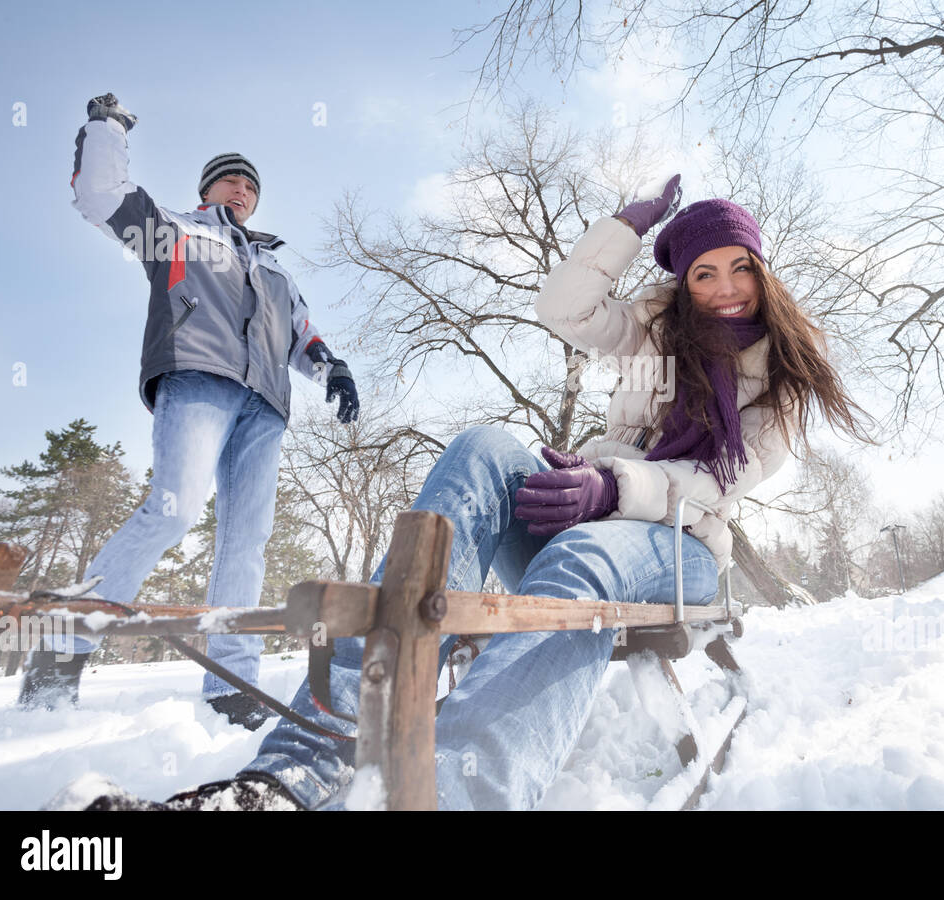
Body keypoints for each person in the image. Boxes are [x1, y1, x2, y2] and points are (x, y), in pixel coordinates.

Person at [88, 174, 869, 809]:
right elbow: (561, 308)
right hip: (591, 509)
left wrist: (610, 488)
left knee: (588, 556)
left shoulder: (790, 374)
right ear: (683, 280)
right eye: (703, 271)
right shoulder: (655, 328)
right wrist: (622, 230)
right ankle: (295, 769)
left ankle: (459, 791)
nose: (723, 287)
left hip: (684, 549)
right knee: (482, 448)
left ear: (762, 271)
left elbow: (716, 483)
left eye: (738, 267)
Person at [20, 94, 361, 730]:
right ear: (208, 188)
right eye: (231, 179)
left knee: (247, 541)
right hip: (198, 380)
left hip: (264, 406)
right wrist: (106, 126)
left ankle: (232, 680)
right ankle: (64, 643)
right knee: (173, 510)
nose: (243, 189)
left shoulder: (276, 271)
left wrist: (332, 370)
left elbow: (302, 337)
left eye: (251, 185)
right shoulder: (178, 230)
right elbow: (98, 194)